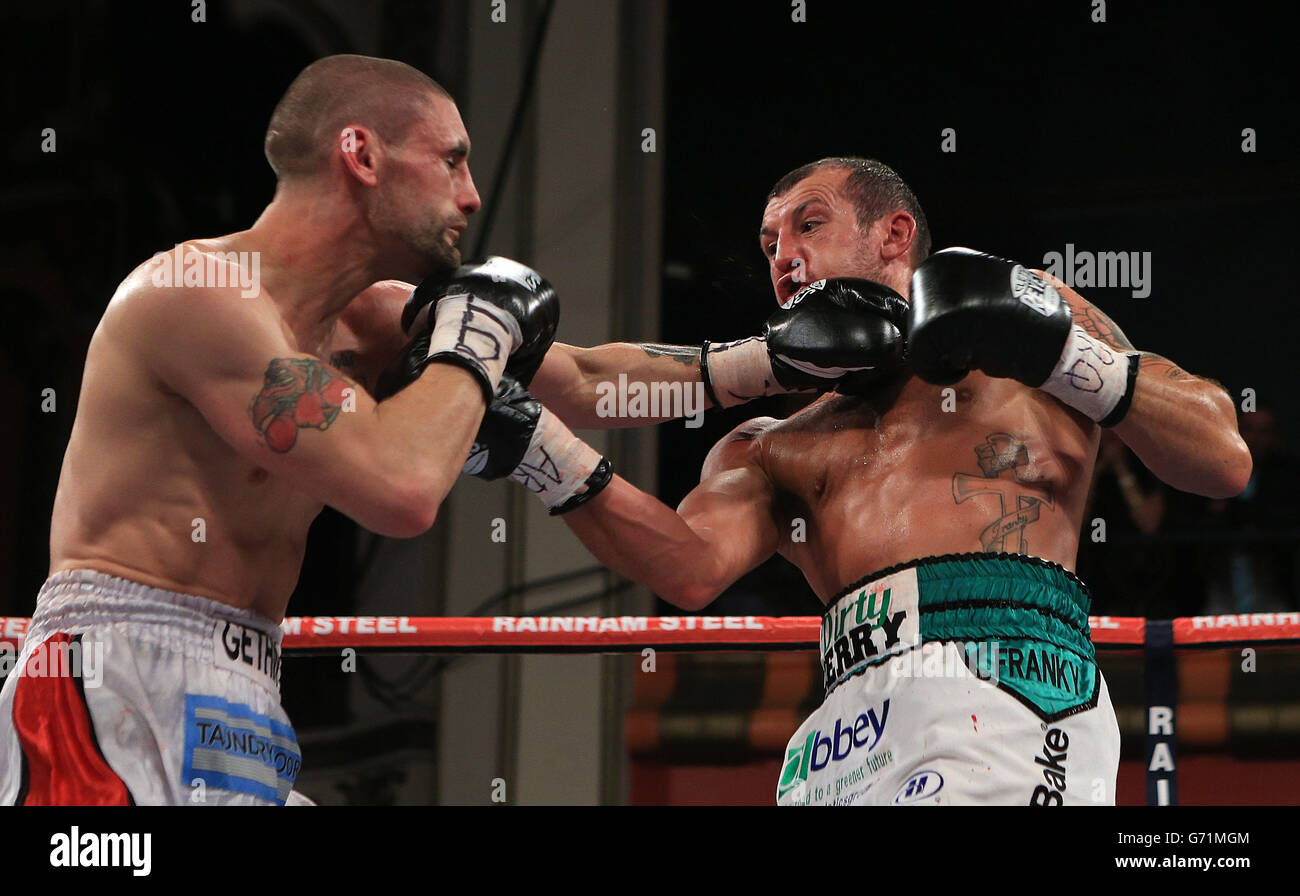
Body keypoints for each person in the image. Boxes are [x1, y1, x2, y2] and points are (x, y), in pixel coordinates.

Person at [443, 157, 1252, 805]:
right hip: (841, 736)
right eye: (767, 246)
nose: (783, 256)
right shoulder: (771, 442)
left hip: (1010, 692)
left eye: (810, 224)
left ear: (894, 233)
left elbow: (1221, 455)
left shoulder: (1027, 336)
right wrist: (541, 448)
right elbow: (685, 567)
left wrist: (1062, 353)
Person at [0, 54, 562, 805]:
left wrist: (756, 361)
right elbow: (403, 488)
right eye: (452, 160)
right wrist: (475, 338)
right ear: (361, 154)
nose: (471, 196)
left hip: (249, 693)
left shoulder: (369, 322)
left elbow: (581, 376)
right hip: (114, 669)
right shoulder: (194, 291)